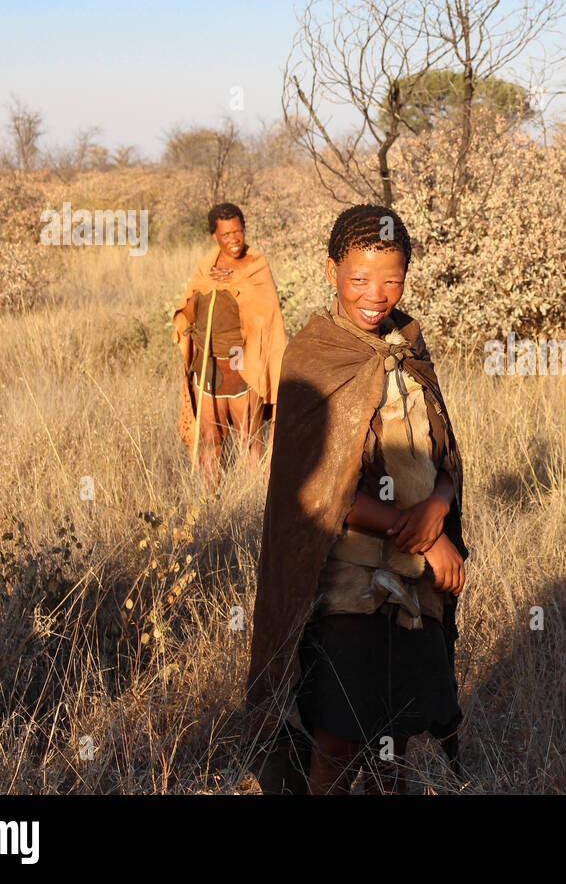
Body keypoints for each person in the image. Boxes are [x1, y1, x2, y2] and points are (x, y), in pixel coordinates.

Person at [244, 205, 468, 795]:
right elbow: (320, 496)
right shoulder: (315, 359)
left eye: (391, 279)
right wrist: (417, 527)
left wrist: (439, 506)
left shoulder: (409, 347)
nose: (375, 294)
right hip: (344, 581)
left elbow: (446, 457)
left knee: (395, 733)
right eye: (359, 278)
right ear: (330, 272)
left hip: (413, 579)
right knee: (339, 739)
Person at [173, 203, 286, 489]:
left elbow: (266, 311)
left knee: (252, 445)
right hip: (208, 369)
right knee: (210, 445)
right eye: (226, 234)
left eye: (238, 231)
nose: (234, 239)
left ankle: (256, 508)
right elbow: (189, 302)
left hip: (244, 372)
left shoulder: (255, 264)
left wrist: (234, 283)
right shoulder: (206, 266)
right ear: (214, 236)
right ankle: (210, 508)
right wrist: (185, 315)